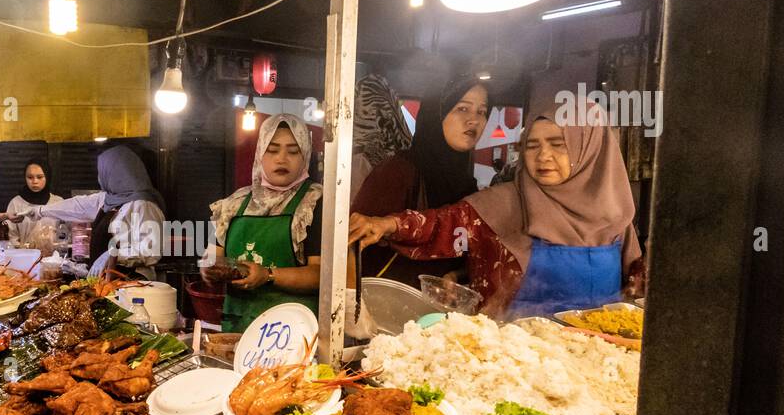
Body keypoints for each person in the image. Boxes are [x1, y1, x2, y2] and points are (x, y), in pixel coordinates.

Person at [348, 100, 644, 319]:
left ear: (589, 151)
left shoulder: (616, 215)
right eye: (532, 146)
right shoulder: (503, 203)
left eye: (558, 145)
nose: (543, 156)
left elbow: (635, 288)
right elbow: (443, 225)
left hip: (599, 360)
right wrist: (386, 224)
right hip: (511, 360)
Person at [350, 77, 489, 286]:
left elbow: (462, 246)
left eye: (482, 112)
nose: (474, 120)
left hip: (441, 311)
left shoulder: (466, 180)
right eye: (462, 109)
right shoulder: (398, 171)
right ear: (436, 113)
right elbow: (354, 242)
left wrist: (457, 275)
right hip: (387, 305)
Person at [204, 114, 324, 332]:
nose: (282, 158)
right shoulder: (235, 203)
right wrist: (209, 270)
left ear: (305, 155)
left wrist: (268, 275)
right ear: (260, 153)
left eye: (293, 151)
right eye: (273, 149)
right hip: (239, 326)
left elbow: (320, 275)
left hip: (292, 330)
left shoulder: (314, 203)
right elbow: (214, 257)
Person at [25, 145, 166, 280]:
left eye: (103, 172)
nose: (100, 178)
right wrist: (40, 210)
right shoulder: (109, 199)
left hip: (135, 284)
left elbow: (150, 251)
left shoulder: (144, 205)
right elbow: (78, 205)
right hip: (107, 280)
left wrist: (113, 255)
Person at [5, 158, 63, 247]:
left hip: (54, 257)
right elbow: (11, 237)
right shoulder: (16, 203)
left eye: (40, 177)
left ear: (47, 177)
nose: (35, 181)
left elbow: (66, 234)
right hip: (25, 257)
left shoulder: (58, 202)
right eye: (30, 177)